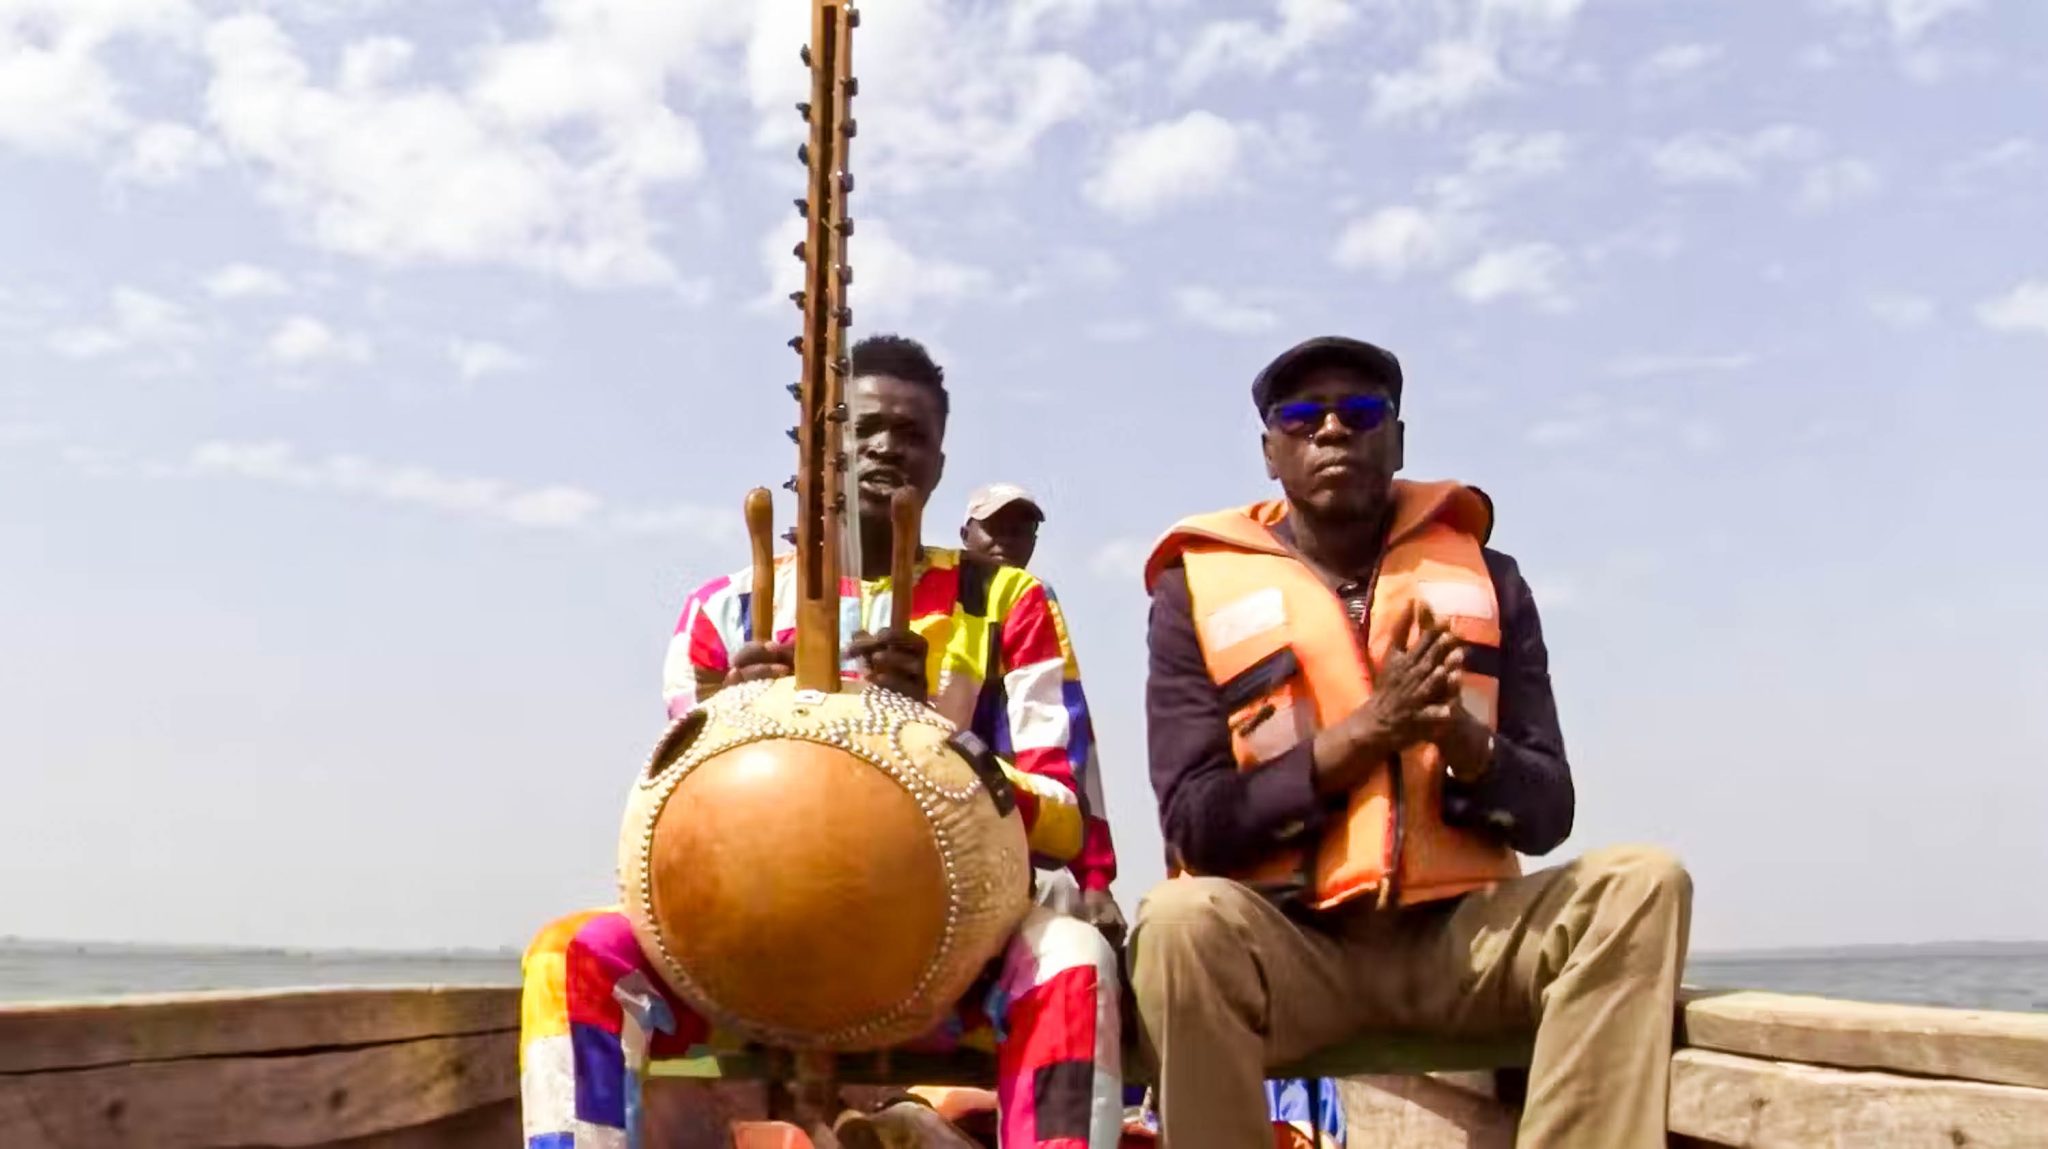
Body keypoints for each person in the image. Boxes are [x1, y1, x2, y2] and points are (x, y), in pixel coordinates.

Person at [520, 335, 1124, 1149]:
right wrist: (728, 719)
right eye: (864, 429)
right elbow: (666, 826)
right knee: (570, 954)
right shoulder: (721, 611)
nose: (886, 448)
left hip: (947, 966)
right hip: (742, 963)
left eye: (911, 435)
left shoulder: (1007, 601)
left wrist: (937, 738)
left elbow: (1065, 822)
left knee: (1072, 956)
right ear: (818, 451)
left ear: (939, 463)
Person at [1128, 335, 1693, 1148]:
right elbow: (1197, 823)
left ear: (1396, 441)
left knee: (1644, 882)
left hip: (1461, 946)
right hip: (1296, 951)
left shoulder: (1492, 578)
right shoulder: (1193, 594)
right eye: (1302, 415)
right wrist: (1367, 735)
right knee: (1179, 919)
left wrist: (1461, 738)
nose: (1332, 429)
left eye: (1360, 412)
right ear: (1270, 452)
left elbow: (1548, 812)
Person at [958, 482, 1126, 947]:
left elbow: (1069, 745)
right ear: (965, 534)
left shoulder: (1034, 600)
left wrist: (1095, 878)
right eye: (994, 528)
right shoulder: (936, 593)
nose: (1006, 541)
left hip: (1020, 827)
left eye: (1021, 530)